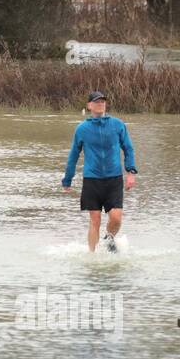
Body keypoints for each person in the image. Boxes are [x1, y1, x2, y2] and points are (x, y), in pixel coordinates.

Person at [61, 91, 137, 253]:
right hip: (92, 180)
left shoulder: (117, 125)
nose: (100, 104)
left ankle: (109, 238)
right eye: (96, 102)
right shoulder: (82, 129)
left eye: (103, 101)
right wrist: (67, 180)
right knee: (95, 219)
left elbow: (128, 148)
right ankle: (92, 255)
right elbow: (73, 155)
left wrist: (131, 172)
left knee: (116, 217)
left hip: (114, 178)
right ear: (89, 106)